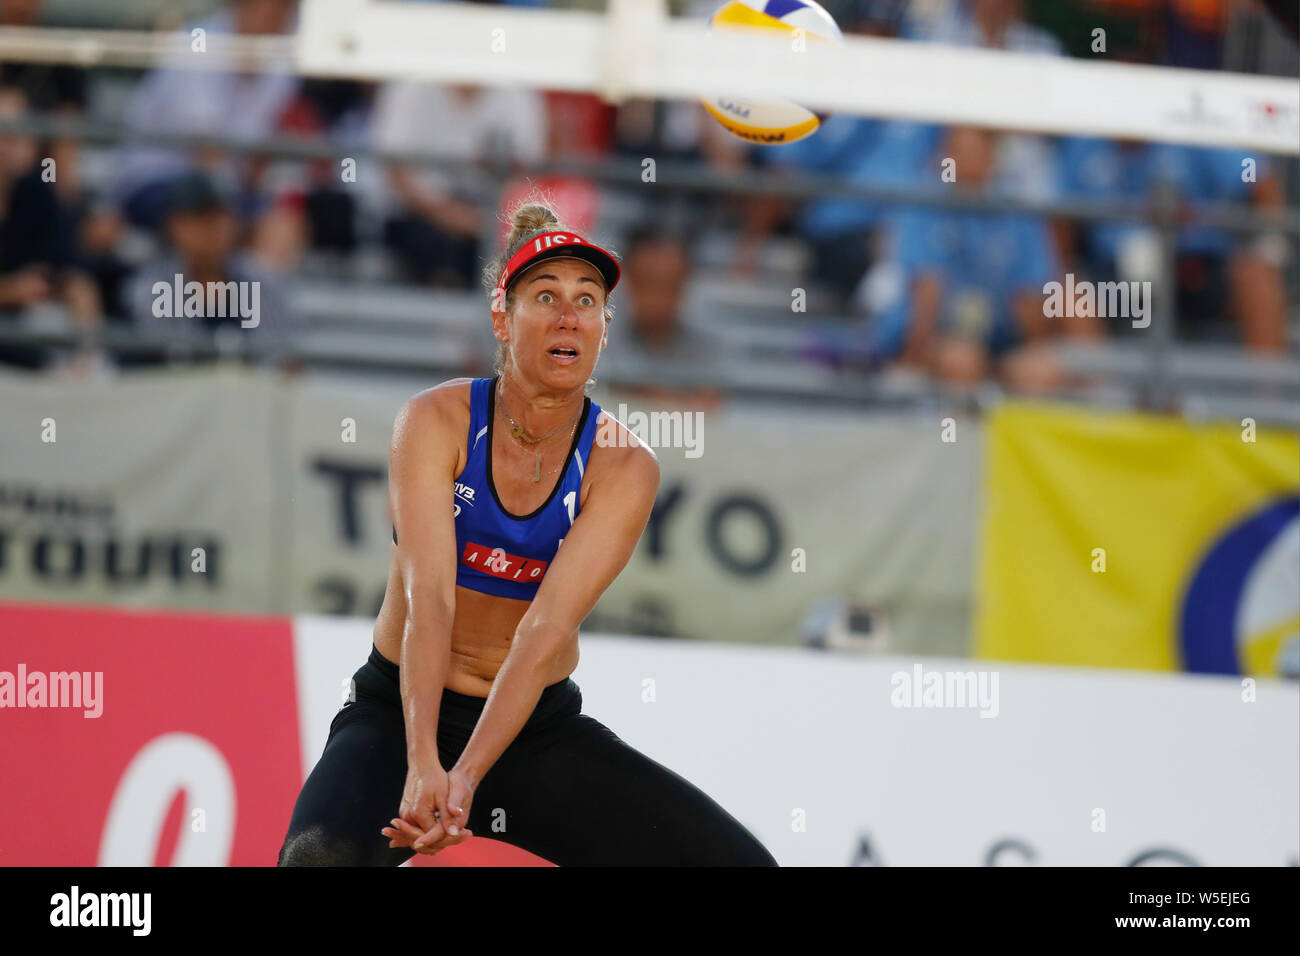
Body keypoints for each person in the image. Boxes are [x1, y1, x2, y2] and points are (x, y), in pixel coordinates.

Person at [277, 201, 777, 867]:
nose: (569, 315)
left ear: (604, 330)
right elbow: (432, 598)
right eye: (546, 296)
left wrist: (465, 780)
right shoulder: (436, 420)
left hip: (532, 730)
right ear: (502, 319)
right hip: (399, 715)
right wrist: (425, 761)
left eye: (587, 300)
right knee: (315, 860)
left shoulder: (624, 464)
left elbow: (542, 634)